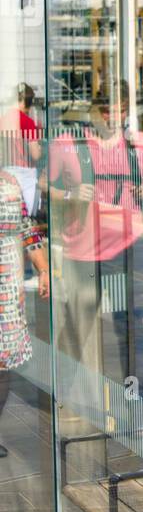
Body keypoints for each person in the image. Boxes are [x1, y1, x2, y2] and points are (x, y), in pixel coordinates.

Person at [50, 83, 143, 398]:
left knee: (130, 326)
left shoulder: (138, 143)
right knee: (78, 322)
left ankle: (134, 400)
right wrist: (70, 194)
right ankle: (59, 393)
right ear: (94, 109)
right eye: (108, 108)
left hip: (128, 244)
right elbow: (46, 186)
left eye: (122, 109)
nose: (114, 116)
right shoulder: (67, 143)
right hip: (83, 247)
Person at [0, 168, 49, 459]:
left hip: (7, 286)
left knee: (3, 361)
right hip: (9, 285)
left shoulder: (11, 185)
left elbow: (28, 230)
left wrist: (43, 270)